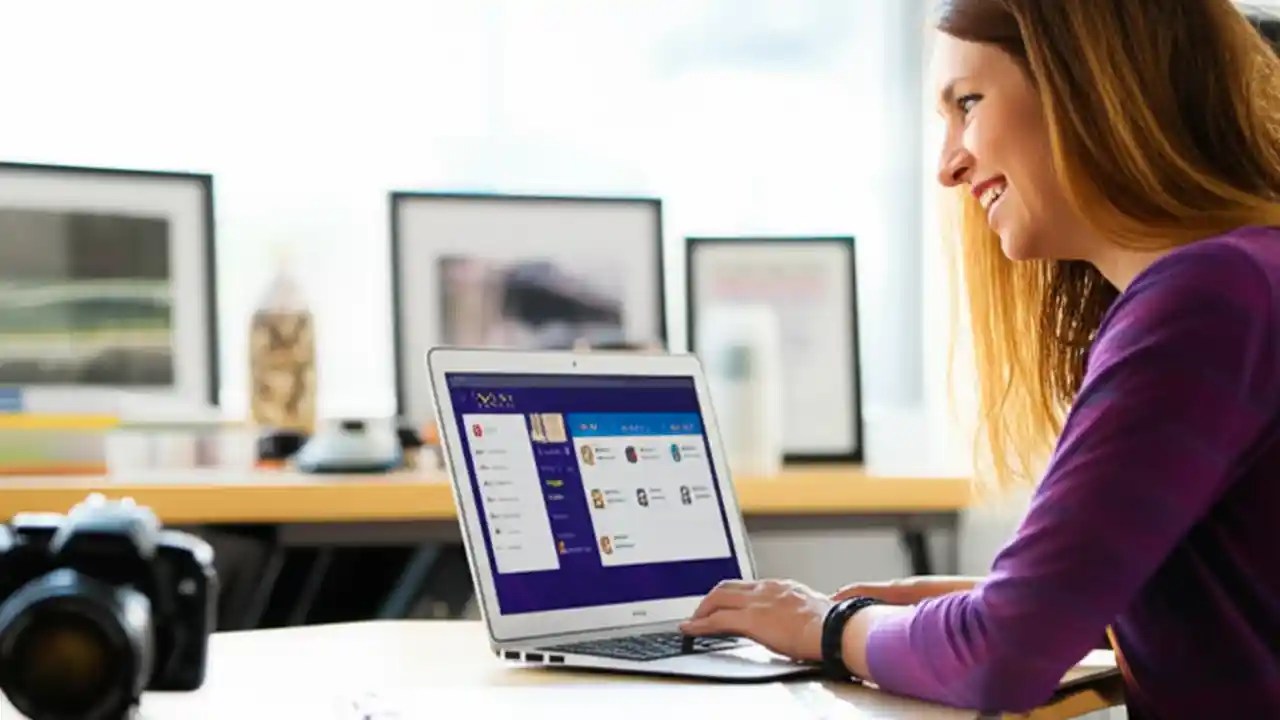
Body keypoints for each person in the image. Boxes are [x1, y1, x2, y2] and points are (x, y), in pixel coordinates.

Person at [680, 1, 1280, 716]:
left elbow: (1002, 656)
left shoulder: (1209, 297)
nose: (948, 165)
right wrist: (992, 605)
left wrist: (826, 626)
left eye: (967, 103)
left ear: (1088, 83)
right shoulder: (1248, 276)